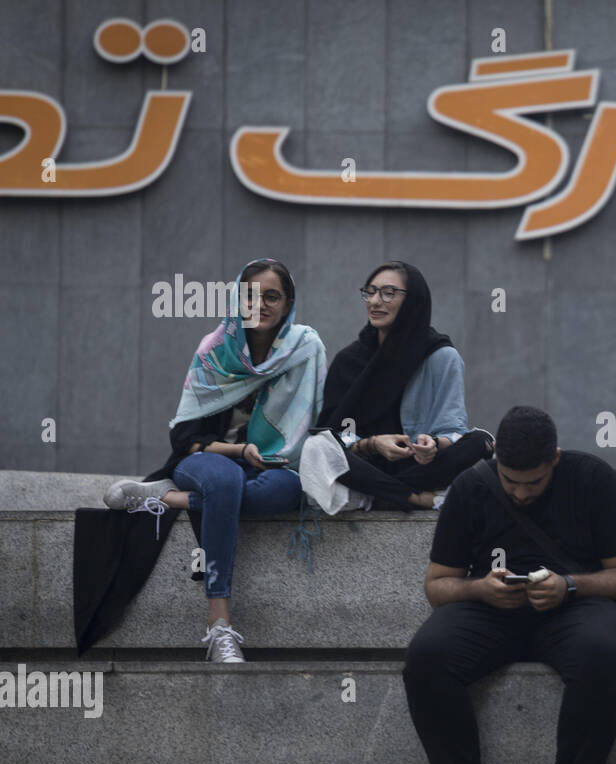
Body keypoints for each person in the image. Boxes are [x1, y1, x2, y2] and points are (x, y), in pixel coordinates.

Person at [403, 406, 616, 764]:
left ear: (554, 457)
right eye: (509, 481)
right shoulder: (473, 486)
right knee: (427, 657)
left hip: (579, 605)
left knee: (602, 653)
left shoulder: (596, 480)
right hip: (492, 608)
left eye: (532, 483)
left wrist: (569, 585)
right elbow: (438, 586)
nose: (519, 494)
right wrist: (480, 589)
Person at [101, 258, 327, 662]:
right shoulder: (215, 349)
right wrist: (239, 451)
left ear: (289, 302)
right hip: (204, 459)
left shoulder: (306, 348)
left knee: (290, 490)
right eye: (249, 295)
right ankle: (219, 626)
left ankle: (169, 499)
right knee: (225, 482)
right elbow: (185, 436)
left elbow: (315, 419)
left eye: (271, 296)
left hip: (275, 464)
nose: (259, 304)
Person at [311, 260, 493, 511]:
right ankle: (412, 498)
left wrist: (432, 444)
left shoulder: (440, 356)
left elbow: (452, 428)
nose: (375, 301)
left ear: (414, 301)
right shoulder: (349, 361)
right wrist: (373, 444)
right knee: (317, 447)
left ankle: (378, 495)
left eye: (388, 293)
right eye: (370, 292)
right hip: (366, 465)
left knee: (480, 441)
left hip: (419, 466)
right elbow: (332, 433)